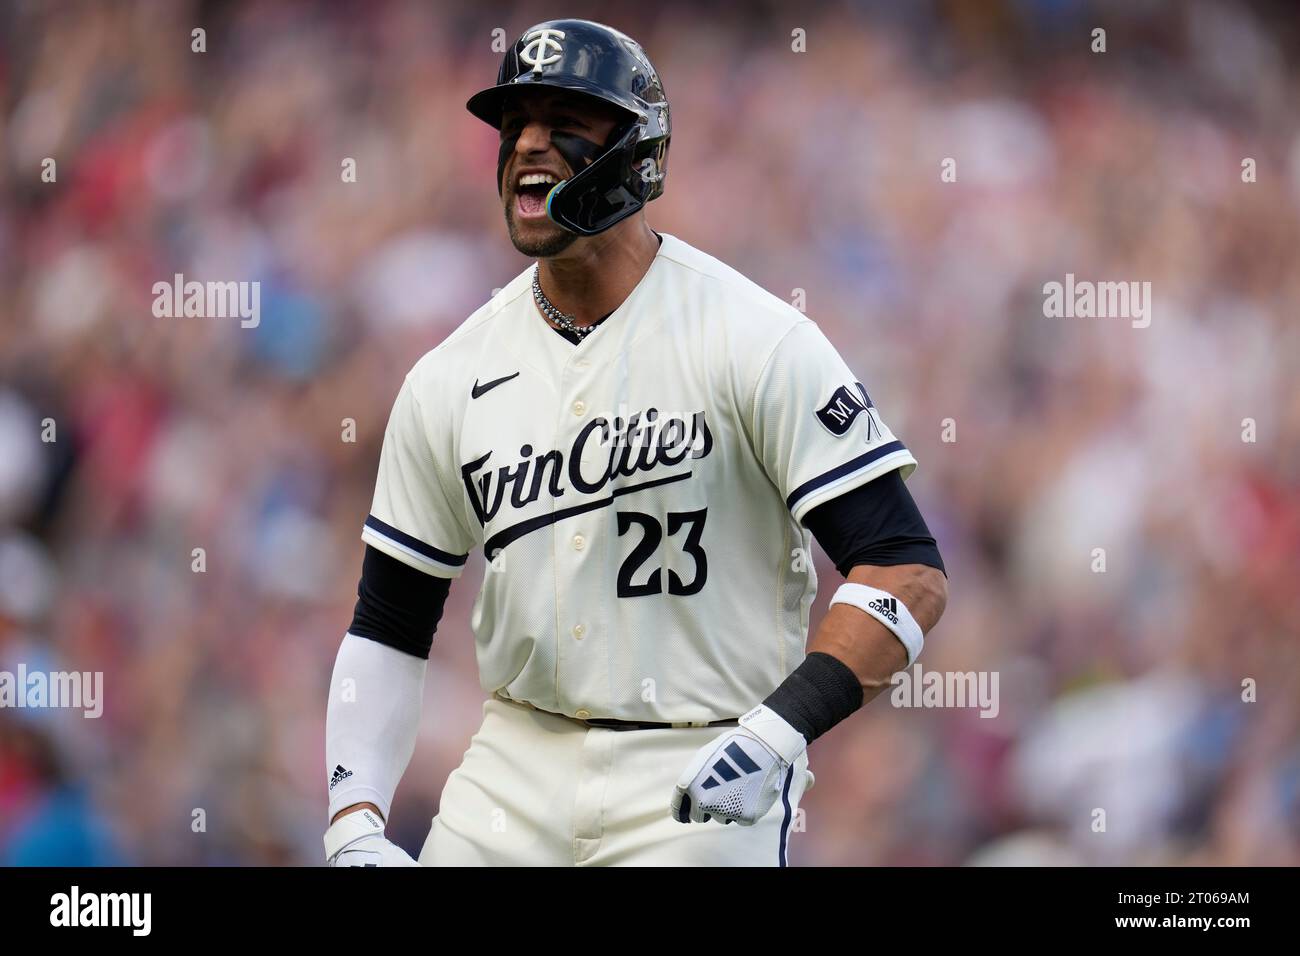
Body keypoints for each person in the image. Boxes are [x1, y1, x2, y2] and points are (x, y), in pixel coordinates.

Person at [323, 18, 947, 867]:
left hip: (697, 771)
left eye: (563, 121)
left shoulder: (756, 338)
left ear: (638, 152)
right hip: (511, 766)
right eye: (515, 127)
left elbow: (903, 572)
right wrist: (354, 817)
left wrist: (779, 731)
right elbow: (389, 625)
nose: (527, 147)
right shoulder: (450, 376)